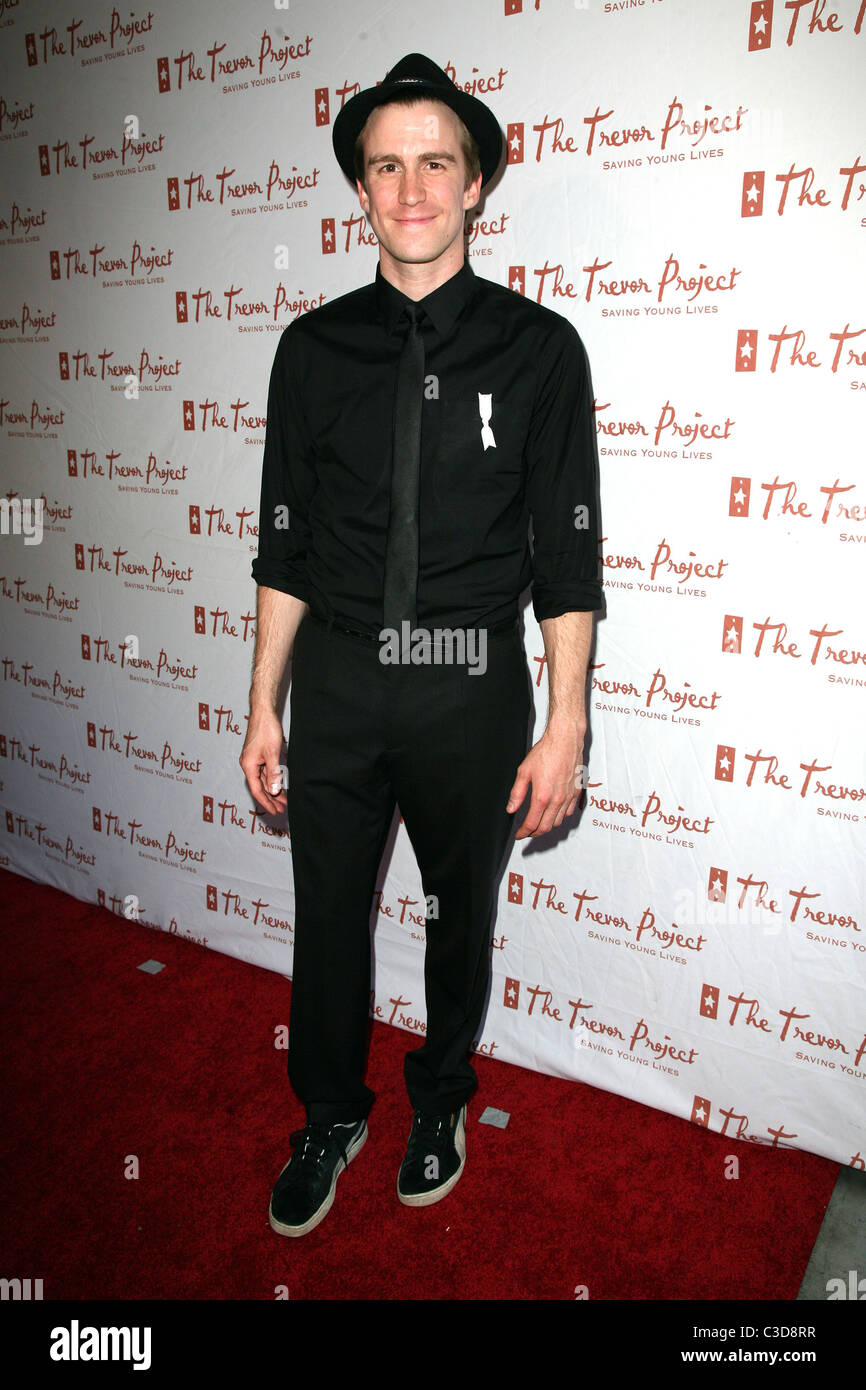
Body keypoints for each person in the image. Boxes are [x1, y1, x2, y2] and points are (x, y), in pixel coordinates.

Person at [241, 52, 602, 1238]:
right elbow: (283, 548)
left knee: (461, 915)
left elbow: (566, 556)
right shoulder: (311, 349)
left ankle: (438, 1098)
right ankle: (329, 1113)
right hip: (338, 683)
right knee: (328, 917)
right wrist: (262, 707)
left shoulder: (541, 351)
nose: (409, 187)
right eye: (384, 165)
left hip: (470, 687)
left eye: (433, 162)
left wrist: (566, 722)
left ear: (475, 185)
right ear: (359, 189)